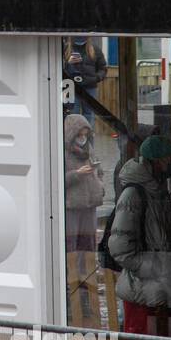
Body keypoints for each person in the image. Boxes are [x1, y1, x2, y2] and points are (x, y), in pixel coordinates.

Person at [107, 134, 171, 340]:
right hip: (144, 293)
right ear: (156, 161)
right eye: (169, 157)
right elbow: (119, 247)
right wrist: (156, 269)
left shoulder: (160, 191)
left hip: (167, 291)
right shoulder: (134, 193)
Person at [63, 113, 104, 325]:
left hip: (90, 206)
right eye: (79, 134)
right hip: (73, 207)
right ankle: (73, 297)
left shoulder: (89, 150)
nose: (82, 138)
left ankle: (86, 295)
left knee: (88, 251)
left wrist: (99, 182)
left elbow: (100, 171)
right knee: (72, 252)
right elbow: (59, 181)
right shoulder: (63, 154)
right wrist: (77, 174)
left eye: (85, 134)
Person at [62, 36, 107, 122]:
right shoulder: (65, 48)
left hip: (90, 87)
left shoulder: (95, 48)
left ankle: (88, 135)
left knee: (89, 114)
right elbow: (58, 68)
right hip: (72, 88)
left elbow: (103, 68)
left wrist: (96, 78)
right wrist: (67, 63)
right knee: (73, 114)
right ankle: (74, 135)